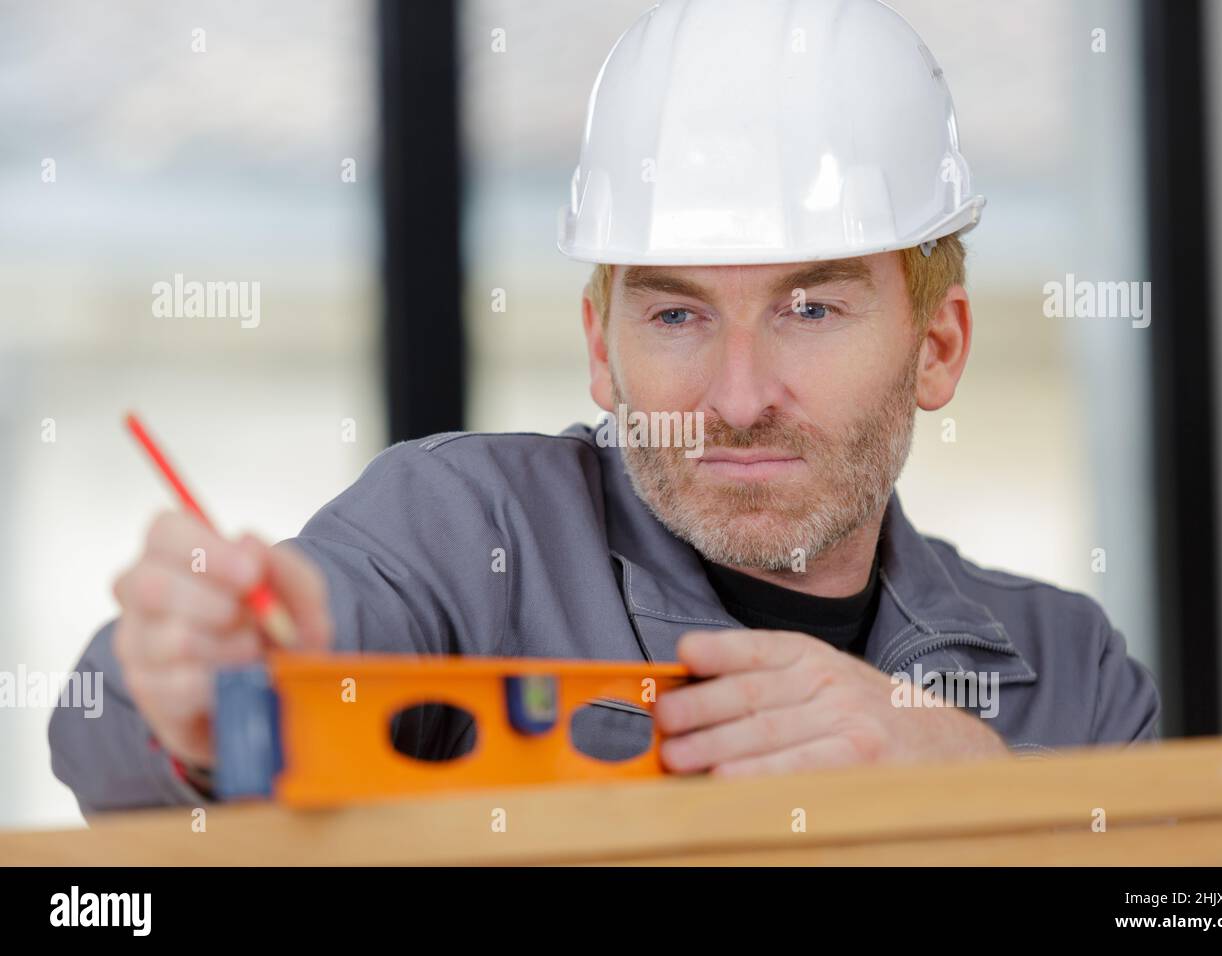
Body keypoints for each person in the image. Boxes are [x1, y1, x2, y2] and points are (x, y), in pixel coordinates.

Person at [50, 0, 1158, 815]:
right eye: (675, 317)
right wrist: (194, 687)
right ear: (599, 345)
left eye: (810, 309)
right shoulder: (466, 538)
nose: (734, 398)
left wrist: (991, 804)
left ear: (939, 346)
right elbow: (124, 720)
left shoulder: (1067, 672)